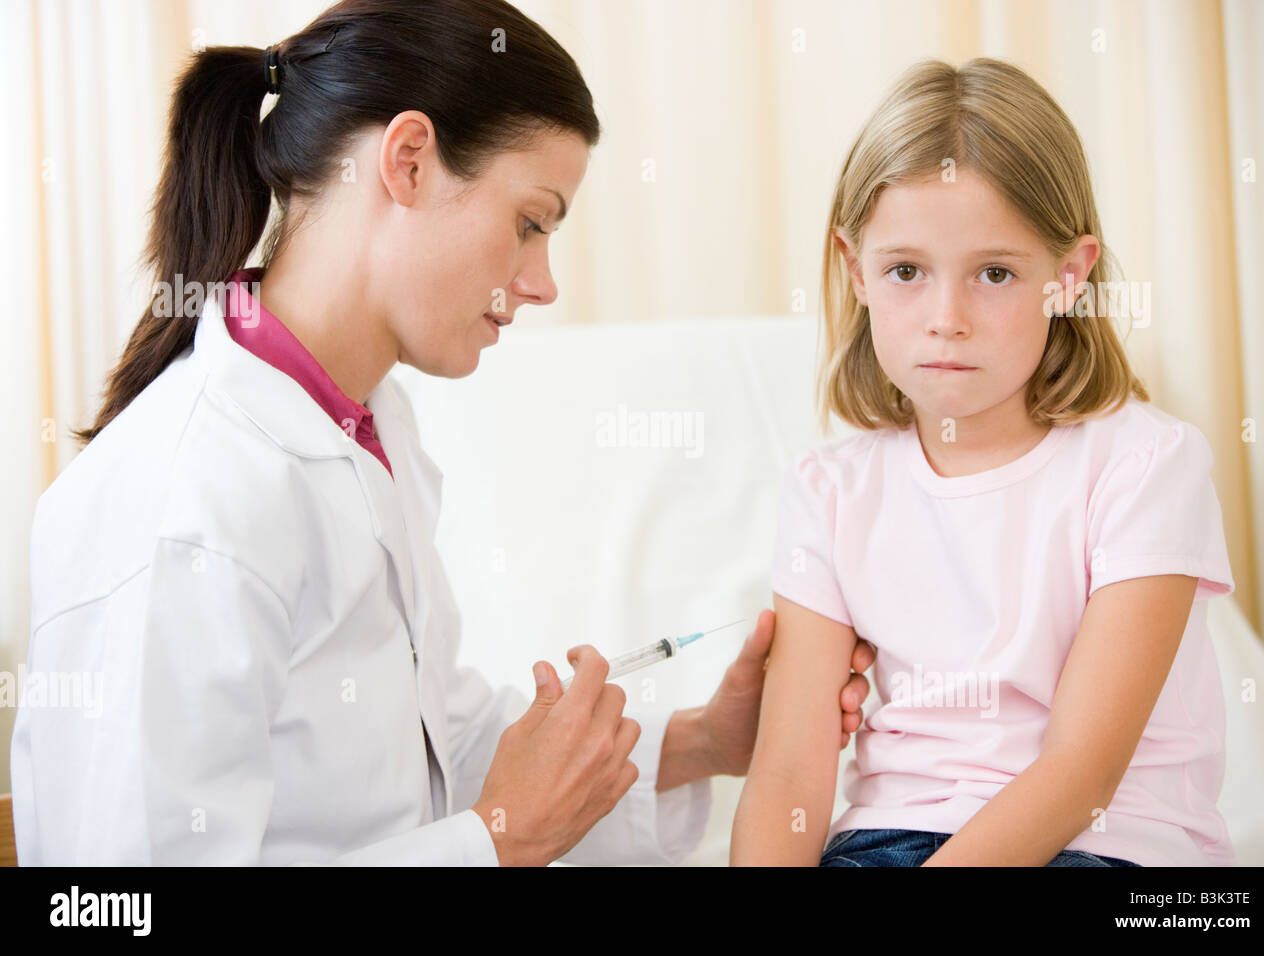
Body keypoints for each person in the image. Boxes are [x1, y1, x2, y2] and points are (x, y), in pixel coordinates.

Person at [10, 0, 872, 866]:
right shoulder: (185, 506)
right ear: (410, 160)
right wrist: (497, 841)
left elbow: (439, 747)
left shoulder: (370, 421)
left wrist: (704, 742)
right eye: (531, 223)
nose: (541, 283)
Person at [730, 57, 1236, 867]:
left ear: (1069, 277)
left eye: (995, 273)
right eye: (906, 271)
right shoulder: (828, 491)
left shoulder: (1147, 463)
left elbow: (1082, 771)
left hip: (1105, 846)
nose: (946, 319)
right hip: (884, 843)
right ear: (854, 268)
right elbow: (789, 772)